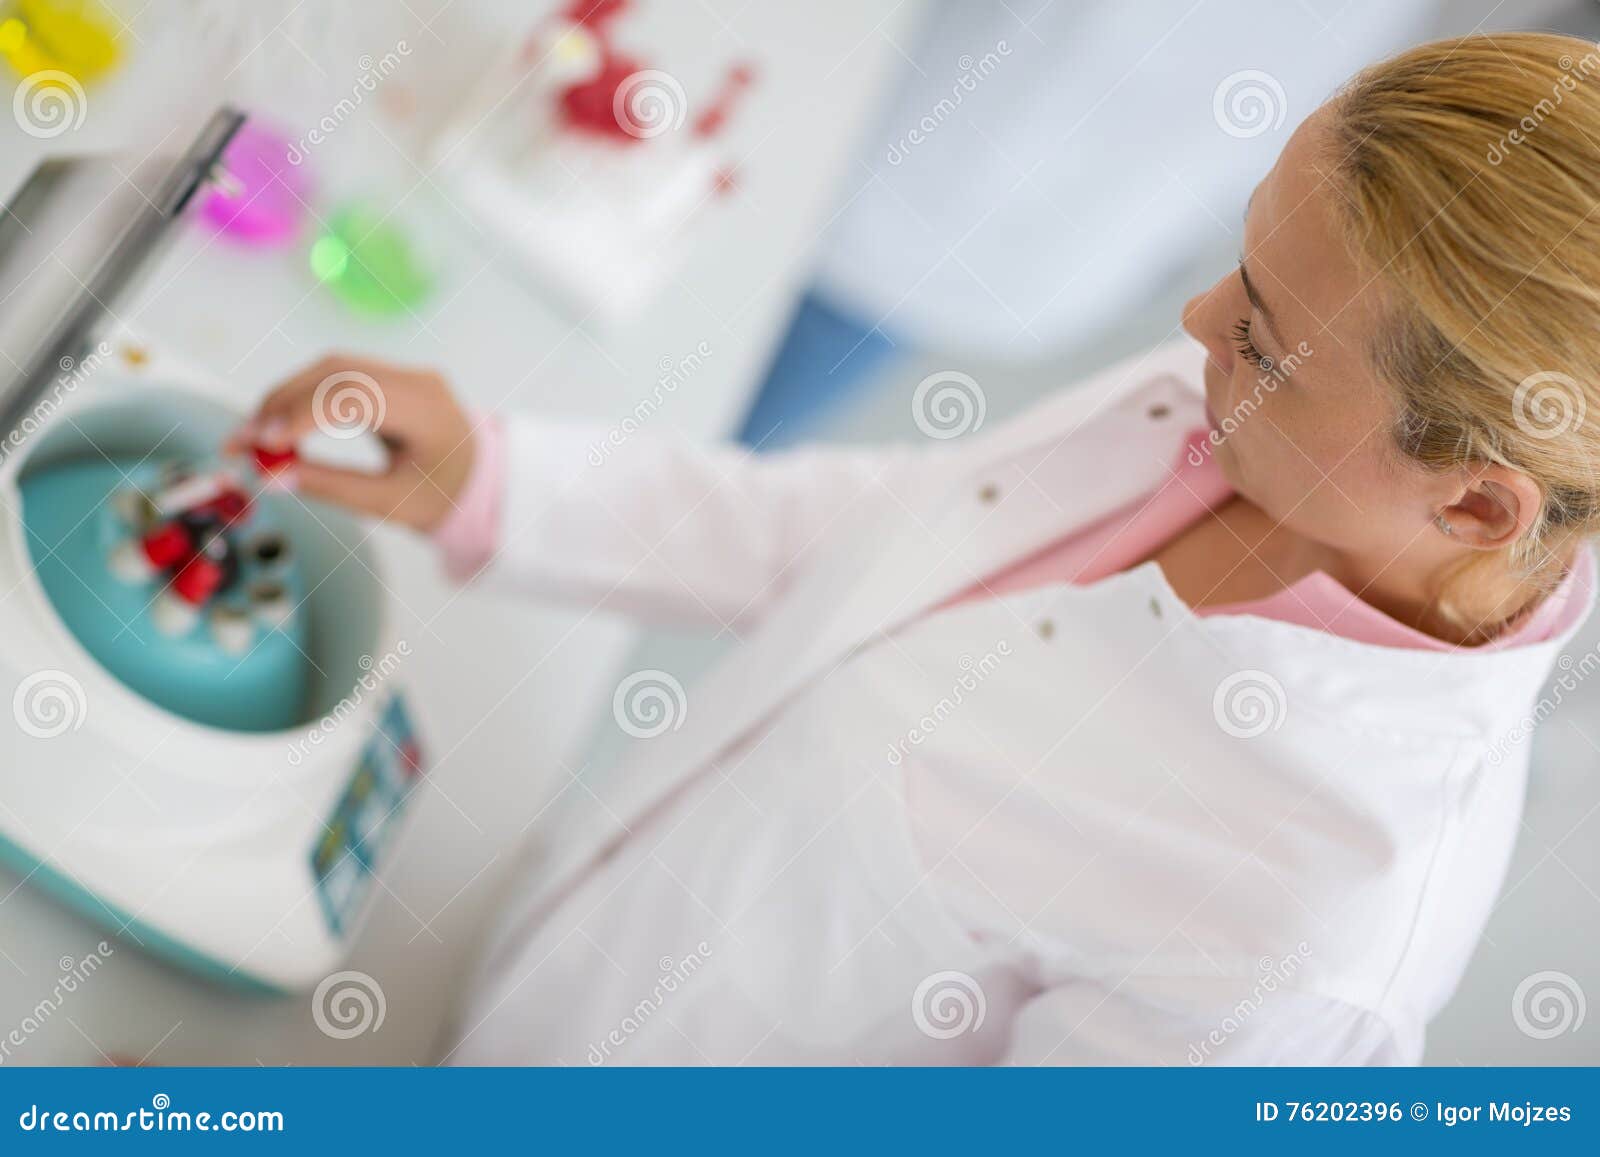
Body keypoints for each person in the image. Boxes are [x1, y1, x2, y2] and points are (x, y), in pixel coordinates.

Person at [230, 33, 1600, 1064]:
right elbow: (887, 528)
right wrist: (503, 480)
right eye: (1242, 271)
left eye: (1260, 335)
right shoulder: (1240, 424)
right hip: (542, 974)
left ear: (1479, 507)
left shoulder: (1311, 936)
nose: (1195, 322)